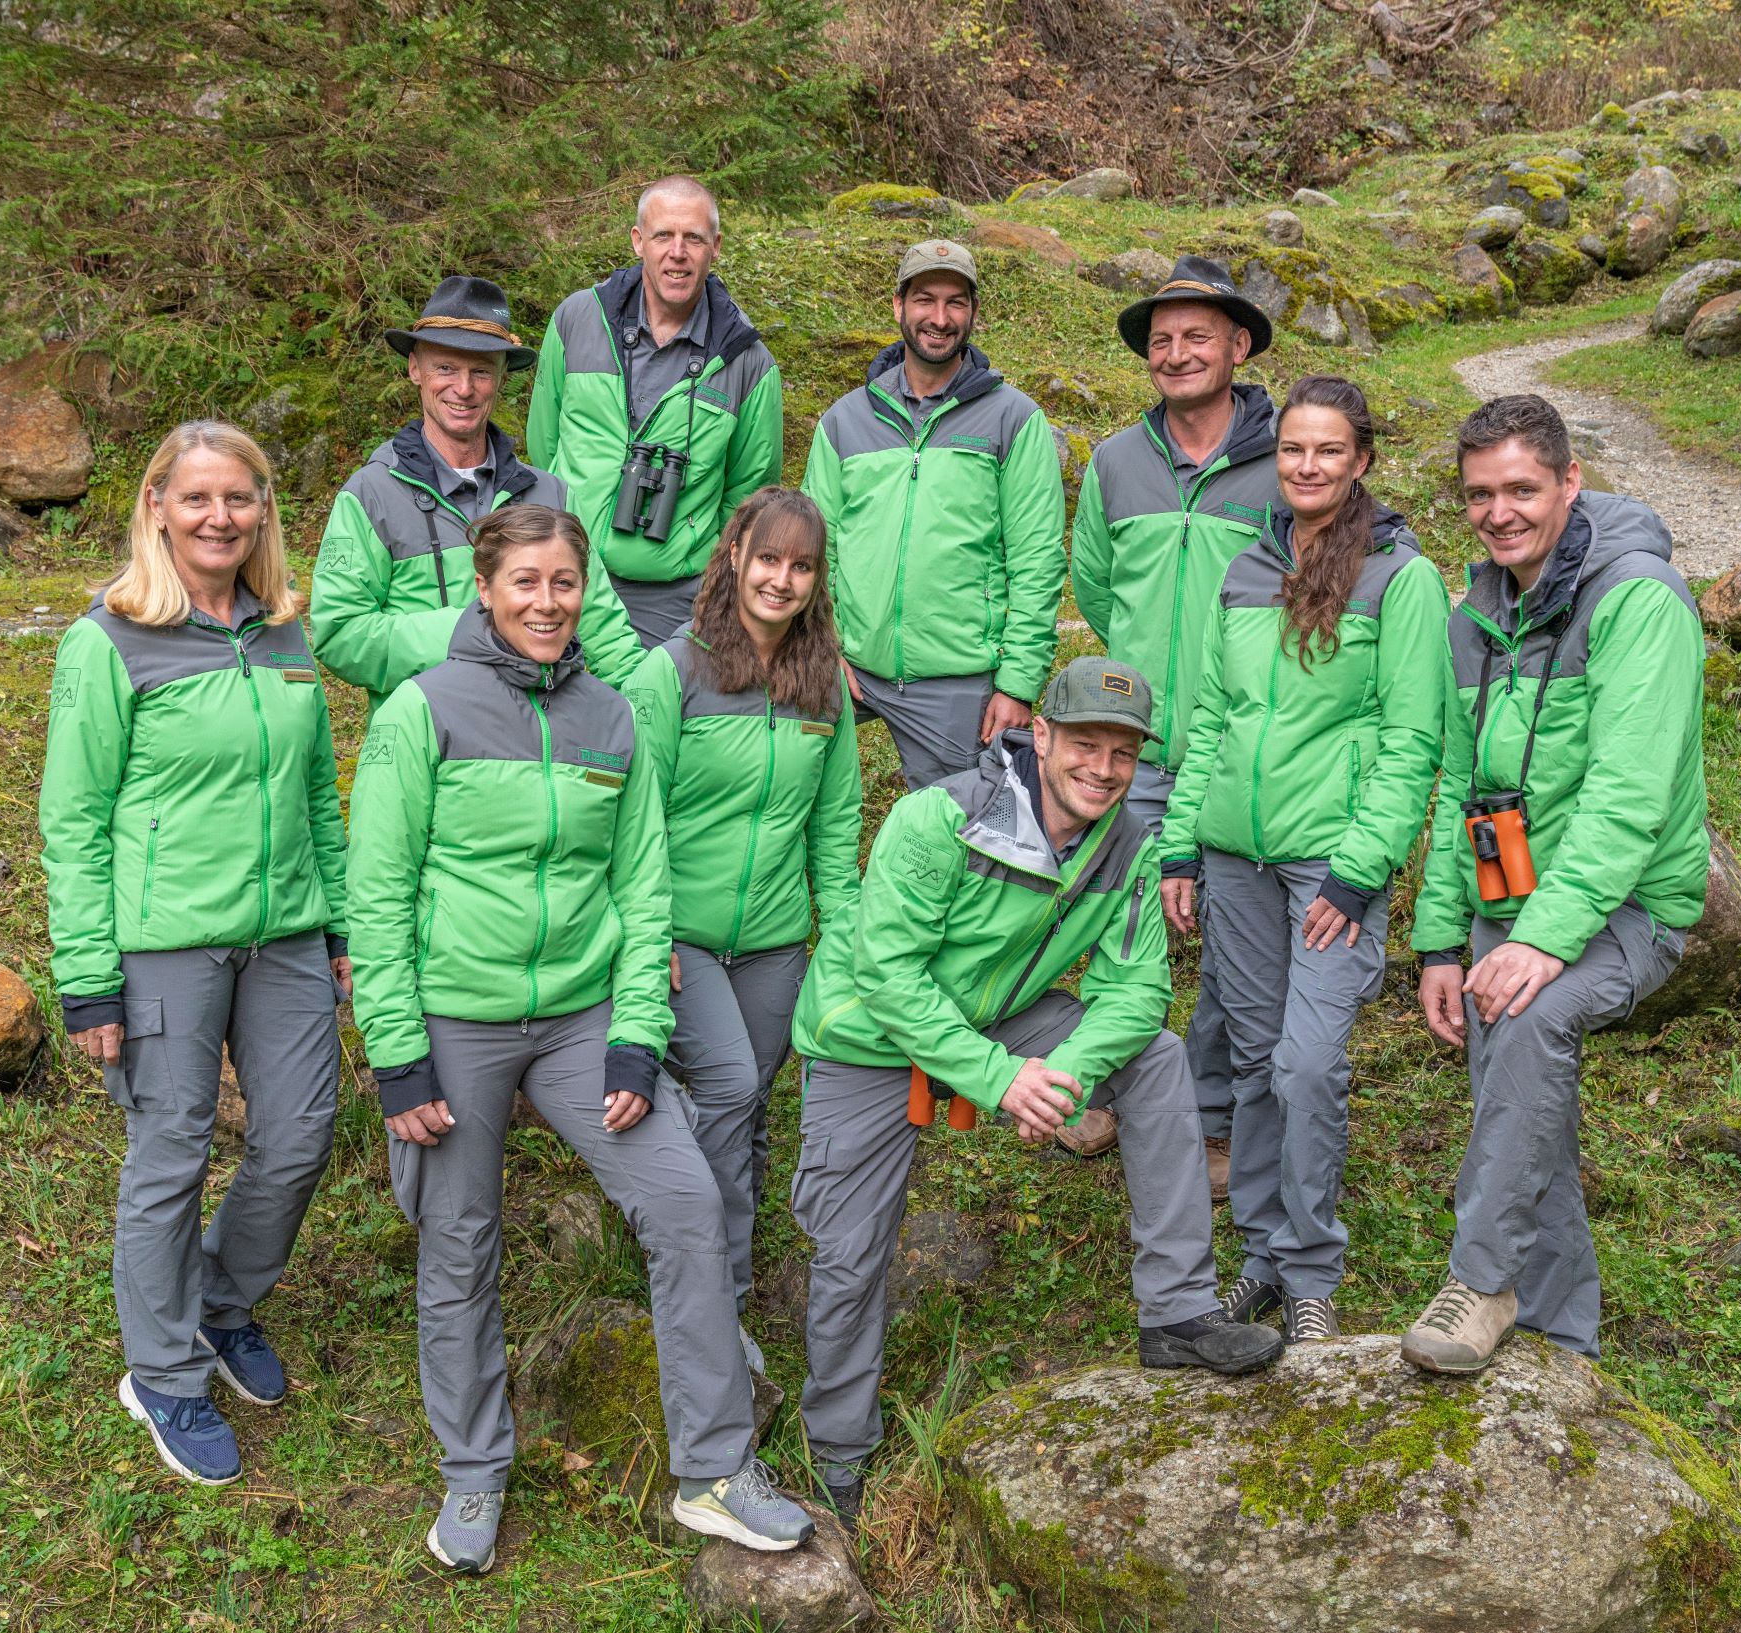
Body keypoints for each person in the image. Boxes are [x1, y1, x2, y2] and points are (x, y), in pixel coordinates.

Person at [344, 503, 815, 1572]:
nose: (548, 603)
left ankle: (714, 1468)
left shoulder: (612, 717)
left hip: (580, 1017)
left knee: (686, 1198)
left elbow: (643, 886)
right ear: (484, 587)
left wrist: (635, 1034)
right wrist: (399, 1053)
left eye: (565, 583)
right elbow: (376, 896)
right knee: (459, 1240)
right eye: (526, 583)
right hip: (453, 1016)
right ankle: (473, 1473)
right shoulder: (423, 712)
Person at [787, 657, 1284, 1524]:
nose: (1103, 768)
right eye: (1085, 743)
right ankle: (838, 1448)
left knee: (1157, 1054)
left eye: (1123, 752)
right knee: (850, 1250)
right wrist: (997, 1079)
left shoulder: (1129, 843)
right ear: (1040, 734)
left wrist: (1067, 1074)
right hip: (868, 1038)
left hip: (1008, 1021)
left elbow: (1134, 989)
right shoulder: (936, 818)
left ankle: (1176, 1311)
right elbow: (888, 976)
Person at [39, 422, 348, 1488]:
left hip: (290, 934)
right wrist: (87, 978)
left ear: (263, 509)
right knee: (170, 1154)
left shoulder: (285, 632)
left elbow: (315, 792)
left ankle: (217, 1301)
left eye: (241, 498)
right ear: (158, 505)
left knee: (303, 1133)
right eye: (198, 498)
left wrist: (341, 919)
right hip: (164, 945)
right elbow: (73, 823)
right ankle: (162, 1368)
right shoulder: (110, 641)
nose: (221, 517)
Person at [1402, 394, 1708, 1375]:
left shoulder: (1639, 601)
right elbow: (1464, 789)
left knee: (1532, 1027)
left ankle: (1485, 1279)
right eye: (1480, 494)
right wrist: (1445, 943)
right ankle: (1564, 1336)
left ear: (1570, 482)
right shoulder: (1475, 615)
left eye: (1522, 489)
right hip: (1509, 900)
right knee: (1523, 1108)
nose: (1500, 512)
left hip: (1621, 909)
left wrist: (1543, 941)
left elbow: (1630, 797)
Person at [1157, 376, 1452, 1346]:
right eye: (1293, 450)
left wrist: (1360, 871)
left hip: (1333, 866)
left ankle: (1313, 1271)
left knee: (1307, 1062)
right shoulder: (1244, 569)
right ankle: (1266, 1261)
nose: (1308, 466)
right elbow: (1209, 718)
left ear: (1362, 460)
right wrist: (1181, 844)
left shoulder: (1398, 576)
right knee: (1250, 1062)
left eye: (1328, 450)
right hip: (1234, 857)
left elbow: (1414, 739)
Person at [624, 488, 862, 1363]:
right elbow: (629, 817)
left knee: (751, 1106)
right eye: (769, 558)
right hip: (679, 933)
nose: (782, 579)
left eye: (801, 566)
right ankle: (712, 1310)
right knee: (727, 1086)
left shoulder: (824, 682)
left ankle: (724, 1265)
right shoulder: (672, 670)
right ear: (734, 557)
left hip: (771, 940)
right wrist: (645, 940)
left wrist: (842, 938)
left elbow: (835, 825)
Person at [1067, 253, 1280, 1186]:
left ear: (1238, 343)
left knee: (1233, 944)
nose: (1179, 353)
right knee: (1115, 921)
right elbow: (1097, 586)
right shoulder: (1115, 461)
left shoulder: (1285, 462)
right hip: (1140, 747)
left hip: (1244, 748)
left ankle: (1213, 1116)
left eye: (1199, 336)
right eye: (1163, 341)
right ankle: (1110, 1086)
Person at [803, 239, 1064, 791]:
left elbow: (1037, 560)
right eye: (925, 299)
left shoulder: (1013, 420)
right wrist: (821, 645)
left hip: (959, 682)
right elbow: (812, 550)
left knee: (959, 837)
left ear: (973, 314)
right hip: (847, 669)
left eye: (956, 303)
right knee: (792, 796)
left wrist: (1017, 684)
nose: (940, 319)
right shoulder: (844, 421)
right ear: (898, 306)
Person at [312, 275, 645, 702]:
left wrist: (644, 705)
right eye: (445, 368)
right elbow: (341, 632)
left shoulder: (552, 497)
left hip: (543, 744)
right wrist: (475, 630)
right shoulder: (371, 496)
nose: (464, 389)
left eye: (481, 372)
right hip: (433, 743)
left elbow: (602, 627)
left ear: (502, 377)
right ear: (415, 368)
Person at [526, 176, 785, 646]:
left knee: (651, 715)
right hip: (562, 580)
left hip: (672, 604)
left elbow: (747, 500)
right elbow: (544, 444)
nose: (678, 252)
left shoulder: (748, 363)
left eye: (694, 238)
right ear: (638, 240)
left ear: (716, 247)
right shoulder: (577, 319)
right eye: (664, 234)